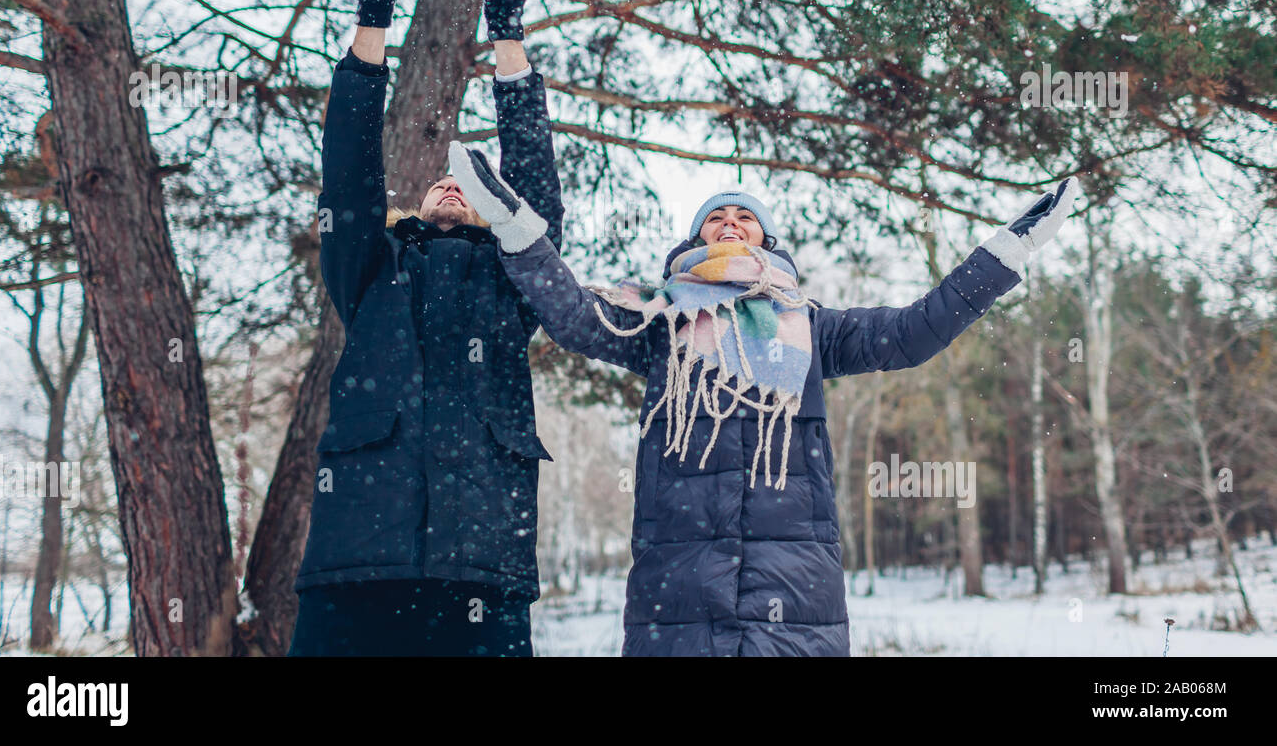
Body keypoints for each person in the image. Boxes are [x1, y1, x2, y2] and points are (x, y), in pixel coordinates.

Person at [448, 142, 1078, 656]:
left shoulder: (811, 327)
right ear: (694, 242)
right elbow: (572, 314)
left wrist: (1005, 254)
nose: (729, 223)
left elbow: (913, 332)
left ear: (766, 244)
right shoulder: (659, 322)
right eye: (715, 219)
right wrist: (514, 227)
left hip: (796, 602)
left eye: (744, 217)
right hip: (680, 596)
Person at [287, 0, 563, 656]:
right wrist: (371, 23)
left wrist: (506, 32)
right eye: (441, 178)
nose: (452, 183)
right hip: (352, 571)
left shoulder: (516, 280)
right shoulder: (372, 270)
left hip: (480, 573)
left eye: (468, 183)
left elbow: (535, 183)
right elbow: (347, 174)